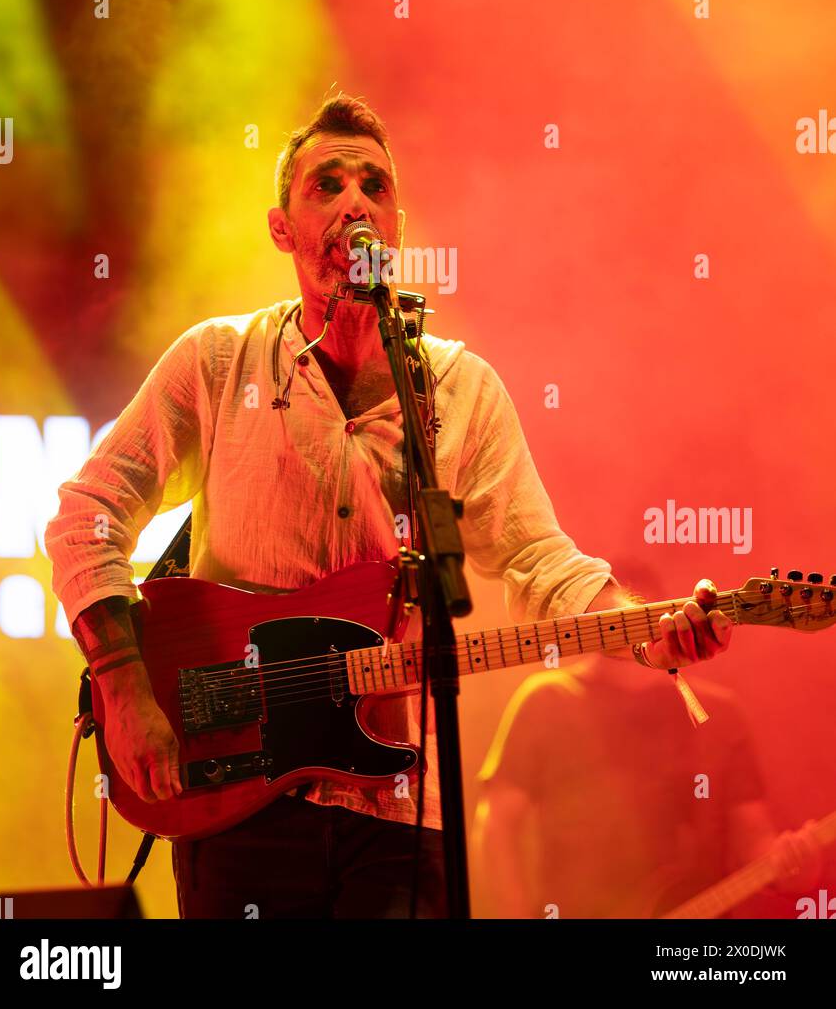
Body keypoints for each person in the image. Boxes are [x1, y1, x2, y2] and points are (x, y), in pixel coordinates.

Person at [45, 93, 732, 919]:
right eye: (326, 184)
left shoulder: (460, 389)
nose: (355, 203)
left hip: (402, 809)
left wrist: (645, 630)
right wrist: (124, 687)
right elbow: (86, 513)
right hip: (241, 804)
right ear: (282, 229)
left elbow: (539, 560)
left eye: (374, 186)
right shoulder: (218, 362)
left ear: (397, 226)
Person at [471, 562, 824, 919]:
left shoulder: (718, 713)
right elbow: (498, 823)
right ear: (592, 620)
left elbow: (751, 836)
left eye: (642, 617)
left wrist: (791, 865)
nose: (630, 630)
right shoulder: (547, 700)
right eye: (620, 618)